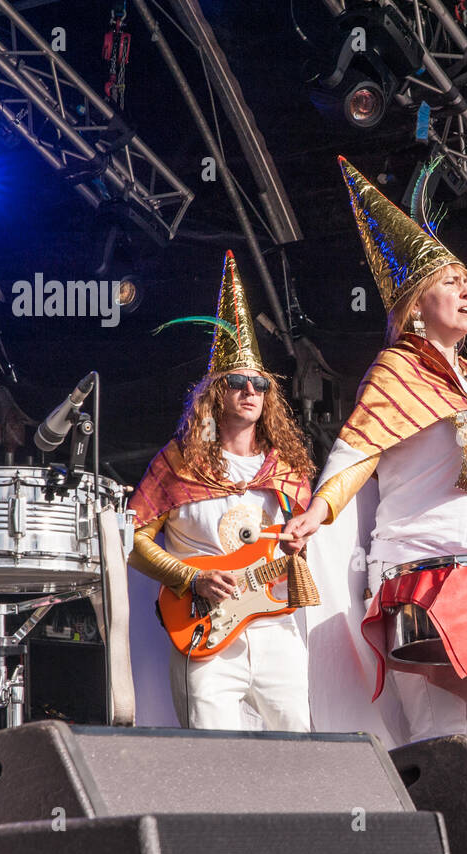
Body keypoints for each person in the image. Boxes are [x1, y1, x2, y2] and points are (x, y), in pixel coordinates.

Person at [282, 157, 467, 744]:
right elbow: (355, 452)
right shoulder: (397, 369)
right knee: (444, 745)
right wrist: (318, 511)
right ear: (412, 301)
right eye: (451, 281)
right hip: (423, 574)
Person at [127, 251, 318, 731]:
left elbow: (304, 542)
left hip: (276, 623)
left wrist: (301, 542)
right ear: (215, 390)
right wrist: (192, 580)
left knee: (301, 748)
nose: (252, 391)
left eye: (260, 384)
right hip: (205, 626)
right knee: (213, 757)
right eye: (238, 382)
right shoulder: (178, 463)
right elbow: (131, 539)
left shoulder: (287, 469)